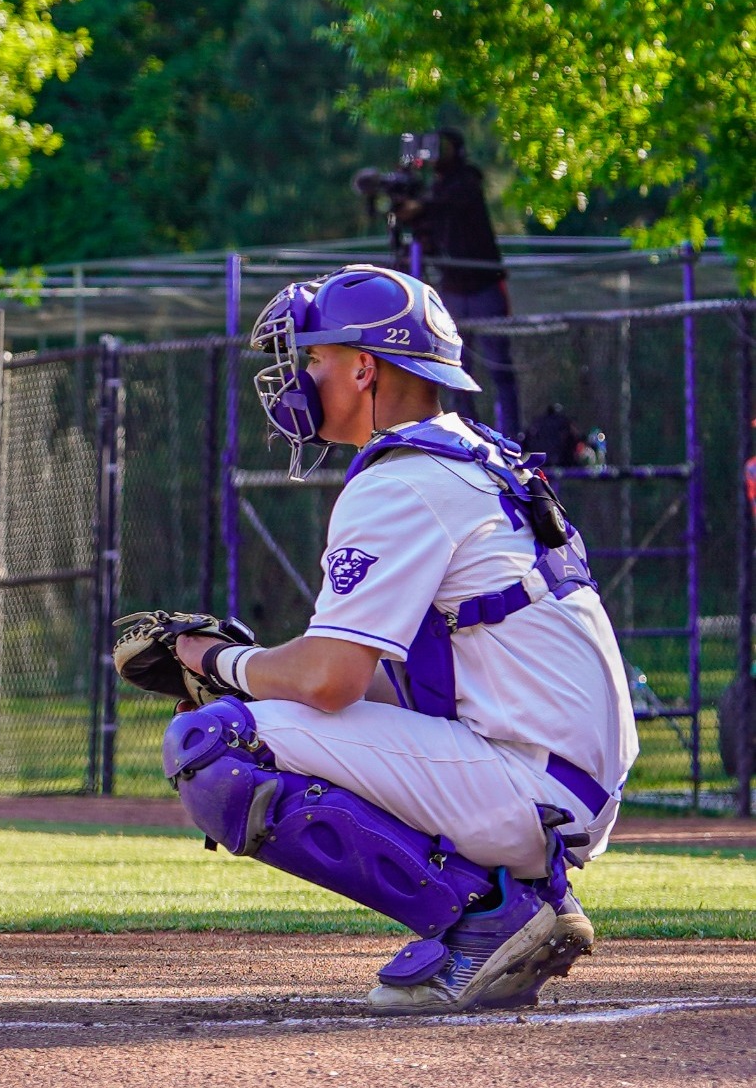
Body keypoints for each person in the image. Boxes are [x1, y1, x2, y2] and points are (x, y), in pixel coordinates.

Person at [154, 265, 636, 1012]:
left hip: (525, 779)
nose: (303, 375)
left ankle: (487, 920)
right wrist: (247, 671)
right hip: (560, 779)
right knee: (252, 718)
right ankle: (513, 896)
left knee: (215, 745)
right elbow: (402, 681)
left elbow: (331, 682)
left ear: (364, 366)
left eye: (314, 358)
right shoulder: (472, 454)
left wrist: (216, 661)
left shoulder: (401, 479)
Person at [395, 129, 522, 432]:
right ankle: (469, 436)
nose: (435, 154)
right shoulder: (435, 193)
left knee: (499, 368)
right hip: (452, 292)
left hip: (484, 288)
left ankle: (511, 437)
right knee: (454, 370)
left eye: (442, 147)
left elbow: (450, 203)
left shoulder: (466, 182)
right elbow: (428, 231)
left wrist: (422, 207)